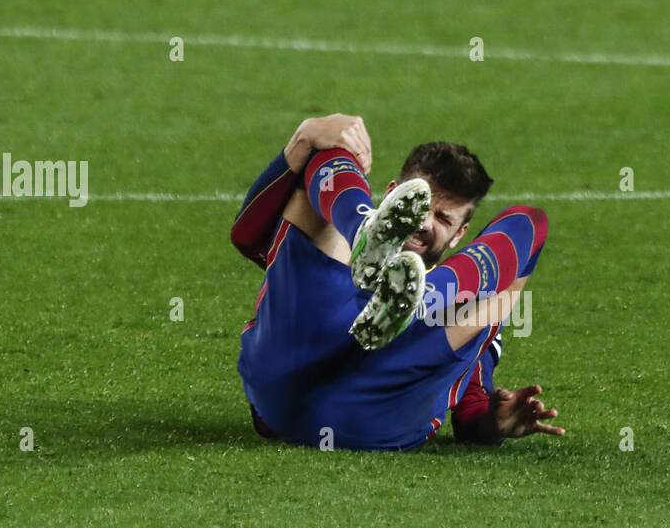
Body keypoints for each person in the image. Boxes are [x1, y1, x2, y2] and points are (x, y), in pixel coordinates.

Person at [230, 113, 565, 450]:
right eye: (421, 205)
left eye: (443, 218)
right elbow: (247, 238)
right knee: (528, 226)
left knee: (529, 224)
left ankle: (421, 295)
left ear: (458, 236)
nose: (423, 223)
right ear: (393, 193)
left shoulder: (467, 302)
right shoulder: (467, 295)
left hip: (337, 404)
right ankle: (373, 241)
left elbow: (471, 406)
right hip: (325, 393)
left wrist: (492, 421)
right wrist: (303, 140)